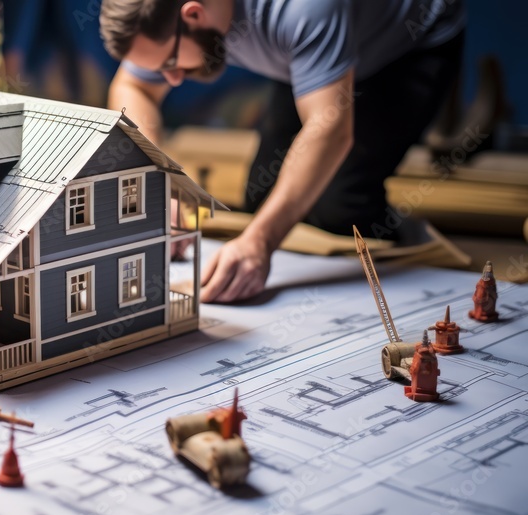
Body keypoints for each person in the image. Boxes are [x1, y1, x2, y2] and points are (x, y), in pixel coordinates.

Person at [99, 0, 465, 302]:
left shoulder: (302, 8)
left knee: (341, 208)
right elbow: (133, 87)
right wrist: (165, 185)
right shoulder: (162, 19)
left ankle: (408, 240)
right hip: (305, 56)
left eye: (170, 63)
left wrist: (259, 242)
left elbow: (330, 129)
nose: (172, 79)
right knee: (262, 197)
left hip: (407, 46)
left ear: (193, 14)